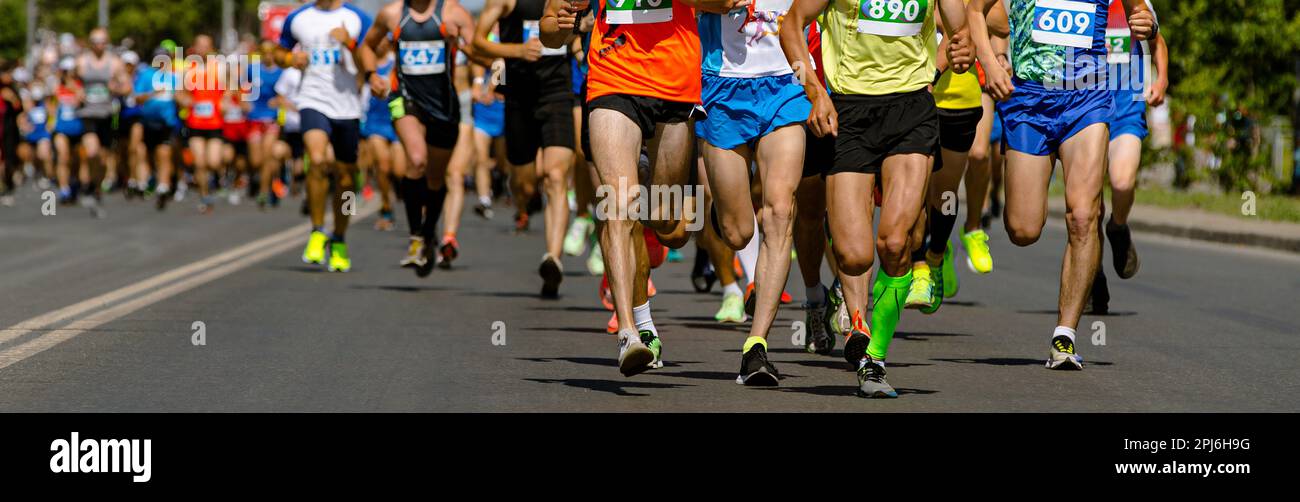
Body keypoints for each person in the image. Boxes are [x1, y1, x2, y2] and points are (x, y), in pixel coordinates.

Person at [782, 0, 972, 397]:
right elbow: (792, 24)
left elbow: (961, 31)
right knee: (854, 255)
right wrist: (815, 91)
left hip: (912, 110)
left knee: (896, 242)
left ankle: (874, 358)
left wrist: (959, 53)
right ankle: (856, 318)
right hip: (849, 110)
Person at [542, 0, 739, 376]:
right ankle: (630, 332)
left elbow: (724, 4)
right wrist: (561, 25)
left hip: (674, 88)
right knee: (618, 204)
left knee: (672, 229)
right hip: (612, 83)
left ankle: (646, 187)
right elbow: (550, 28)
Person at [969, 0, 1156, 370]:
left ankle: (1065, 336)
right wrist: (990, 62)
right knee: (1023, 228)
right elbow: (975, 10)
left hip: (1088, 97)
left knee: (1084, 215)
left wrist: (1144, 22)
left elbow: (1141, 13)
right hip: (1029, 99)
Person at [694, 0, 809, 385]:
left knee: (780, 210)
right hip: (721, 87)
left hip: (784, 86)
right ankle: (722, 215)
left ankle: (756, 346)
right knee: (738, 232)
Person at [357, 0, 480, 277]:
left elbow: (479, 53)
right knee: (416, 160)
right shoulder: (391, 14)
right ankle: (415, 238)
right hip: (405, 98)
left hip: (445, 106)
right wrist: (371, 75)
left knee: (436, 178)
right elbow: (365, 46)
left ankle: (428, 233)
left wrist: (459, 43)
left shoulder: (453, 13)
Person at [474, 0, 578, 298]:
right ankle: (523, 203)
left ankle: (553, 258)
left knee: (556, 176)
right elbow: (478, 41)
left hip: (557, 93)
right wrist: (517, 50)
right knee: (525, 183)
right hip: (518, 96)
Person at [277, 0, 374, 273]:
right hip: (312, 100)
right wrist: (289, 59)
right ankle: (318, 231)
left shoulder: (357, 19)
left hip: (347, 106)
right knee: (317, 160)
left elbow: (368, 63)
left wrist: (350, 44)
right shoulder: (298, 18)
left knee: (347, 177)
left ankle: (340, 239)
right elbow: (273, 53)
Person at [1093, 0, 1167, 313]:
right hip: (1087, 106)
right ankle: (1093, 279)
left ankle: (1118, 226)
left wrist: (1160, 79)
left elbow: (1157, 41)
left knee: (1122, 182)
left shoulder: (1137, 2)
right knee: (1088, 204)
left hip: (1127, 105)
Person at [76, 28, 127, 217]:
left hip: (106, 114)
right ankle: (88, 186)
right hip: (88, 113)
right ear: (90, 42)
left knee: (103, 158)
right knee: (91, 151)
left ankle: (95, 189)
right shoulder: (82, 61)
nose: (99, 44)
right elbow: (67, 80)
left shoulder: (114, 63)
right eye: (95, 41)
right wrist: (77, 91)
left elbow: (126, 85)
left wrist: (118, 88)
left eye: (102, 41)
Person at [177, 34, 227, 214]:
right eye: (200, 46)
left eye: (207, 46)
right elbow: (180, 93)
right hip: (195, 123)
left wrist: (225, 102)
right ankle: (204, 195)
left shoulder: (220, 67)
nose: (203, 49)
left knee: (213, 161)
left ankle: (217, 178)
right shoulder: (188, 69)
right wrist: (185, 101)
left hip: (215, 123)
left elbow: (230, 89)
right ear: (194, 47)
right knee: (199, 162)